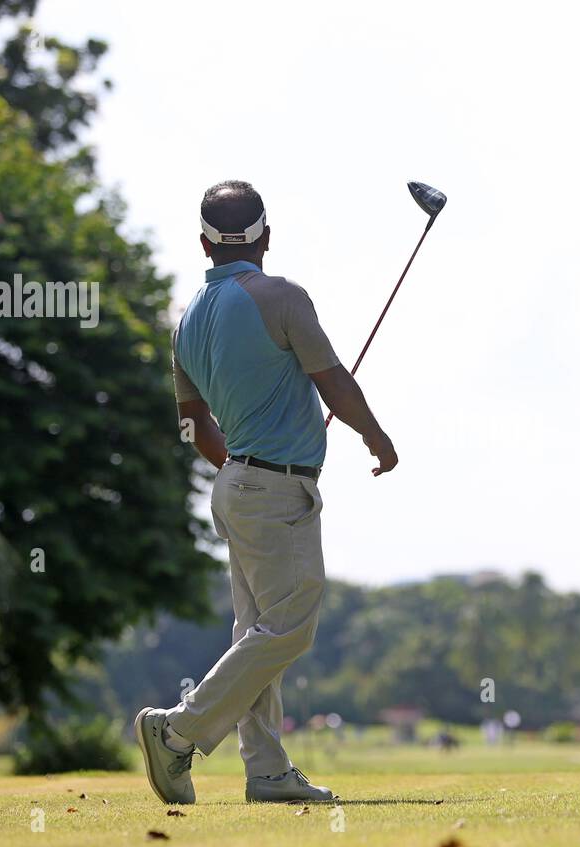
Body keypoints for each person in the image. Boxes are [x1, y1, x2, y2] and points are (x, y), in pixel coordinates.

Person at [134, 180, 397, 804]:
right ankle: (178, 731)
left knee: (256, 633)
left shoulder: (186, 321)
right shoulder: (282, 296)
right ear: (267, 237)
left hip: (234, 485)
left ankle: (268, 771)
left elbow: (195, 425)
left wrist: (242, 466)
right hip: (276, 492)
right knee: (289, 630)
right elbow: (333, 383)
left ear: (203, 242)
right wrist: (376, 438)